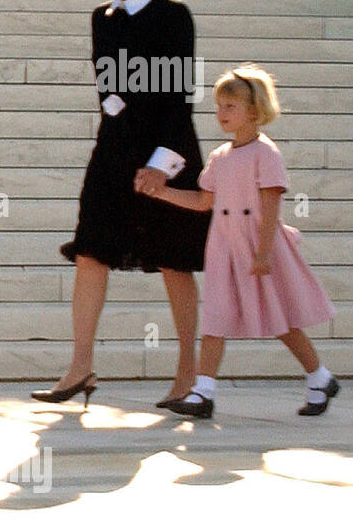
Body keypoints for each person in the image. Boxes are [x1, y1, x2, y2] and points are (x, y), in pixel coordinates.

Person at [34, 0, 211, 410]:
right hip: (112, 152)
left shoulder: (173, 16)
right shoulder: (102, 18)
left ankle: (188, 376)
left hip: (165, 152)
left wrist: (160, 164)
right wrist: (118, 139)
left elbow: (178, 97)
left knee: (173, 261)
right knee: (90, 251)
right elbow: (108, 91)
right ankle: (80, 367)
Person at [138, 65, 338, 417]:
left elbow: (271, 206)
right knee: (216, 317)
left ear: (254, 111)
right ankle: (203, 392)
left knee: (282, 321)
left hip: (260, 246)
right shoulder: (219, 157)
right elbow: (203, 202)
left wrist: (262, 254)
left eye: (230, 107)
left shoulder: (266, 153)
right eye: (219, 107)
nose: (221, 114)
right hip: (224, 247)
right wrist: (162, 192)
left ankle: (319, 377)